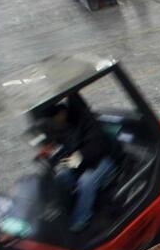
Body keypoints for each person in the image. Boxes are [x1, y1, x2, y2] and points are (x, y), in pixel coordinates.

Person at [35, 96, 120, 233]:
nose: (54, 126)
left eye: (54, 122)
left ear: (62, 113)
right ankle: (64, 209)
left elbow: (96, 147)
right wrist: (50, 155)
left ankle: (80, 221)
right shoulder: (61, 125)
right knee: (62, 176)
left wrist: (76, 158)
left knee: (85, 182)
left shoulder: (85, 120)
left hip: (103, 158)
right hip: (82, 162)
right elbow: (62, 145)